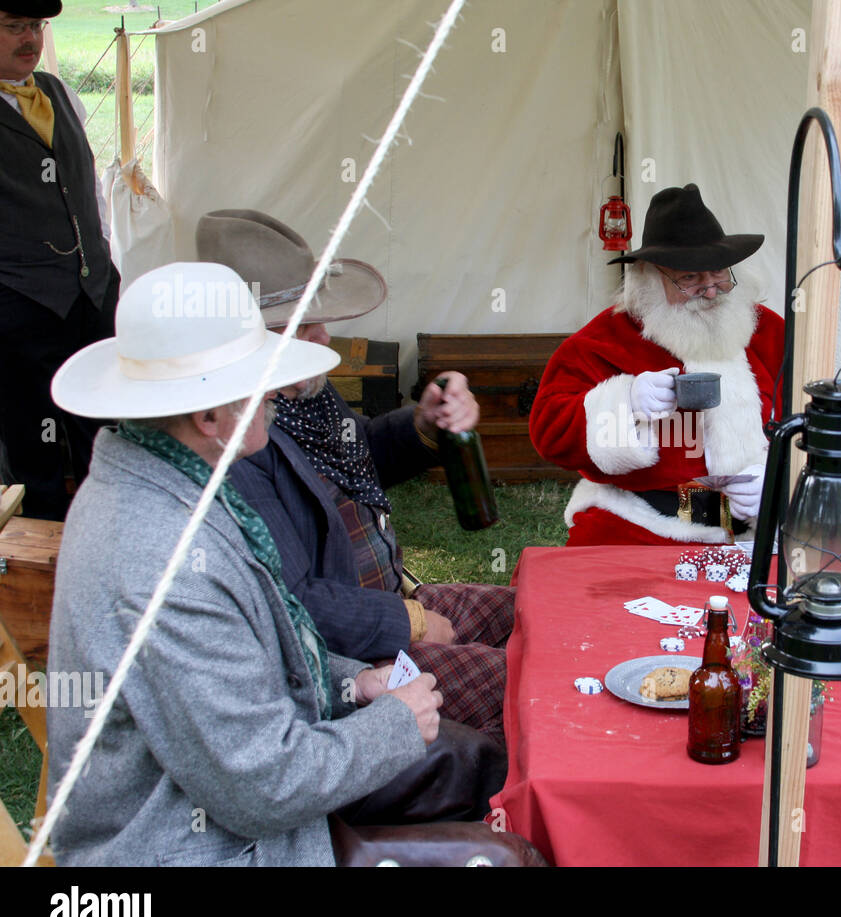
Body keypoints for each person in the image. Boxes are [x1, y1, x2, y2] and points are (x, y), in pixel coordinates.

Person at [45, 262, 506, 866]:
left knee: (479, 778)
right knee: (508, 857)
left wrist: (350, 680)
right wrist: (393, 721)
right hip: (196, 852)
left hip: (233, 820)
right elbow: (263, 788)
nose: (275, 395)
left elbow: (263, 649)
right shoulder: (165, 560)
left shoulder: (166, 476)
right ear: (210, 416)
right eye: (261, 380)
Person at [200, 209, 515, 747]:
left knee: (525, 609)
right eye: (300, 325)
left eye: (317, 318)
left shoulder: (302, 395)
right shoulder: (237, 437)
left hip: (392, 601)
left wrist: (425, 422)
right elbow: (294, 602)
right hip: (353, 653)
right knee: (518, 682)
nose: (324, 337)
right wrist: (409, 624)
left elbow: (354, 455)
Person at [530, 183, 783, 545]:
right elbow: (549, 430)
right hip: (644, 524)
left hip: (760, 526)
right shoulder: (603, 341)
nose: (710, 290)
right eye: (690, 278)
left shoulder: (769, 332)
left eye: (719, 274)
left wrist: (777, 476)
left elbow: (813, 420)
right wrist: (623, 403)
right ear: (648, 276)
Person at [0, 0, 118, 520]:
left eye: (37, 26)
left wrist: (102, 259)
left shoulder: (58, 92)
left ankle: (113, 533)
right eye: (14, 27)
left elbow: (87, 187)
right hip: (19, 304)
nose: (31, 38)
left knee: (107, 428)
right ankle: (40, 565)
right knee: (33, 446)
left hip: (91, 295)